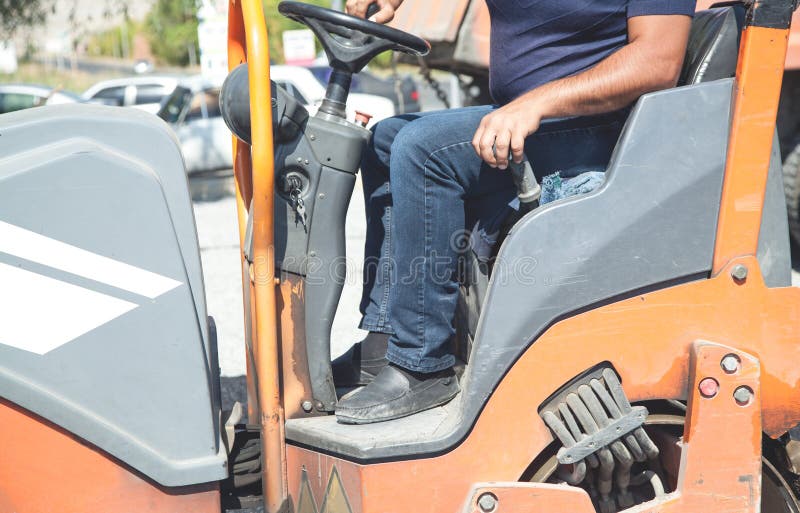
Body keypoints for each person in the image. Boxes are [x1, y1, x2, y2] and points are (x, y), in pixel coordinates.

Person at [333, 0, 696, 425]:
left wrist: (536, 104)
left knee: (423, 151)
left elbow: (657, 61)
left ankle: (422, 364)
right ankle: (386, 339)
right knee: (386, 141)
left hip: (603, 125)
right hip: (533, 119)